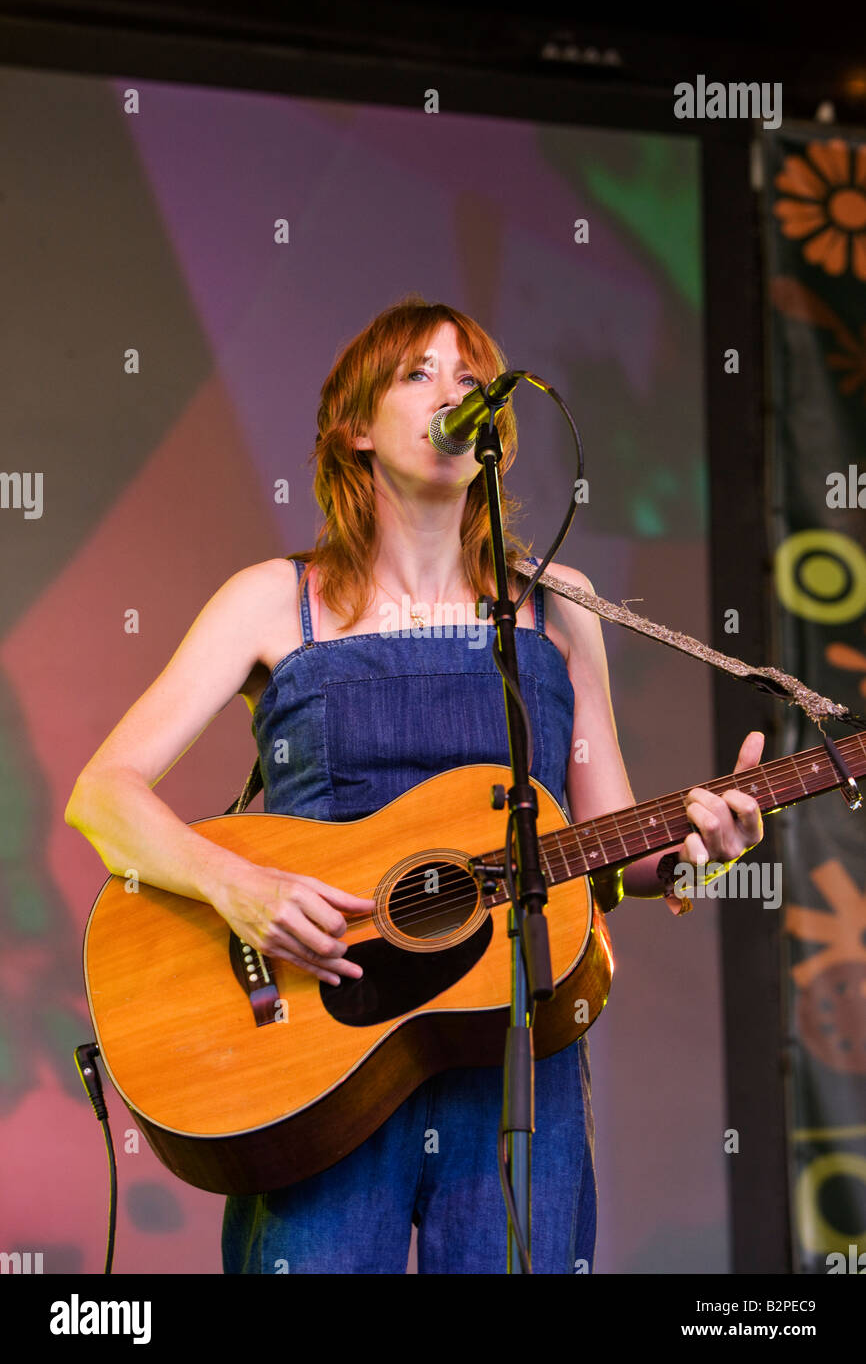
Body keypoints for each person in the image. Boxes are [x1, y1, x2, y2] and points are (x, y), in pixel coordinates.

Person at [65, 295, 765, 1274]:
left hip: (515, 1052)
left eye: (472, 378)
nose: (453, 393)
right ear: (355, 425)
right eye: (418, 373)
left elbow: (613, 847)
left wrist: (700, 850)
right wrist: (241, 887)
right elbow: (103, 795)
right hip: (313, 1049)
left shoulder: (561, 611)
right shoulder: (275, 600)